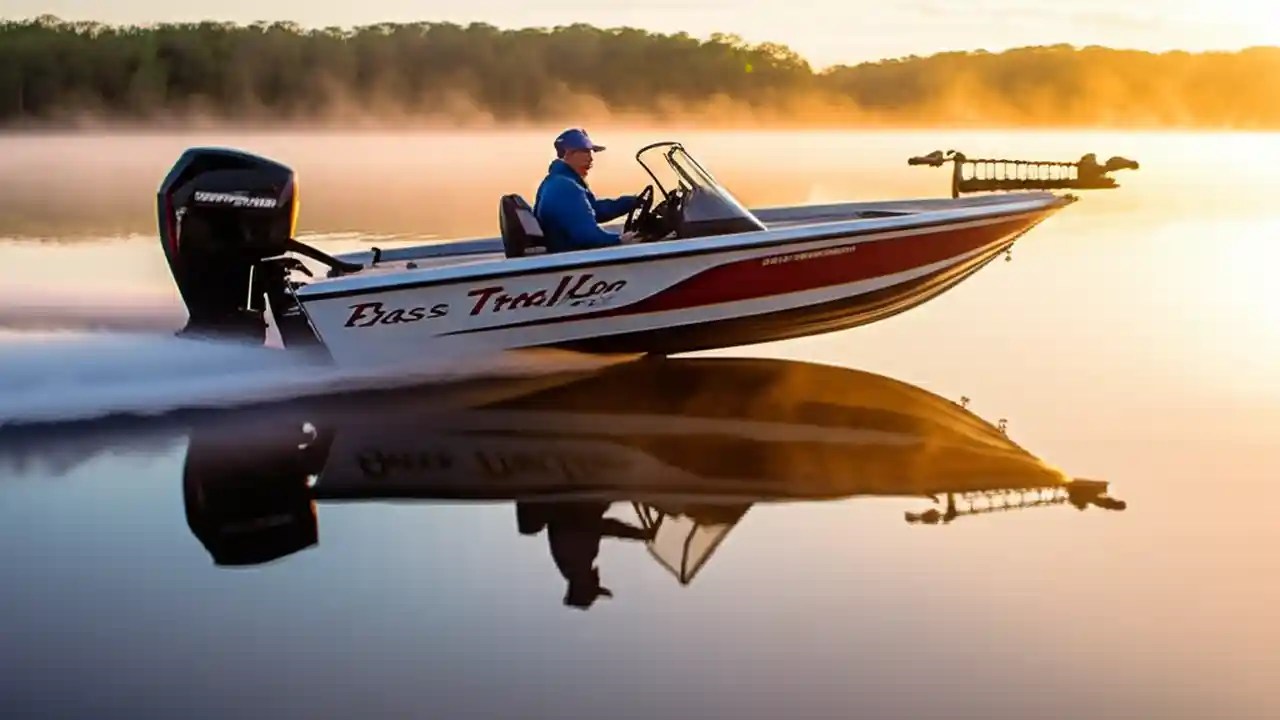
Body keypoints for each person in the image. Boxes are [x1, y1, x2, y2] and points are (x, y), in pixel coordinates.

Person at [533, 128, 642, 253]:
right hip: (566, 259)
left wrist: (629, 202)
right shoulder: (565, 187)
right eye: (585, 152)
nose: (591, 159)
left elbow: (593, 209)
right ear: (568, 154)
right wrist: (619, 240)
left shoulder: (557, 181)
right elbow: (587, 237)